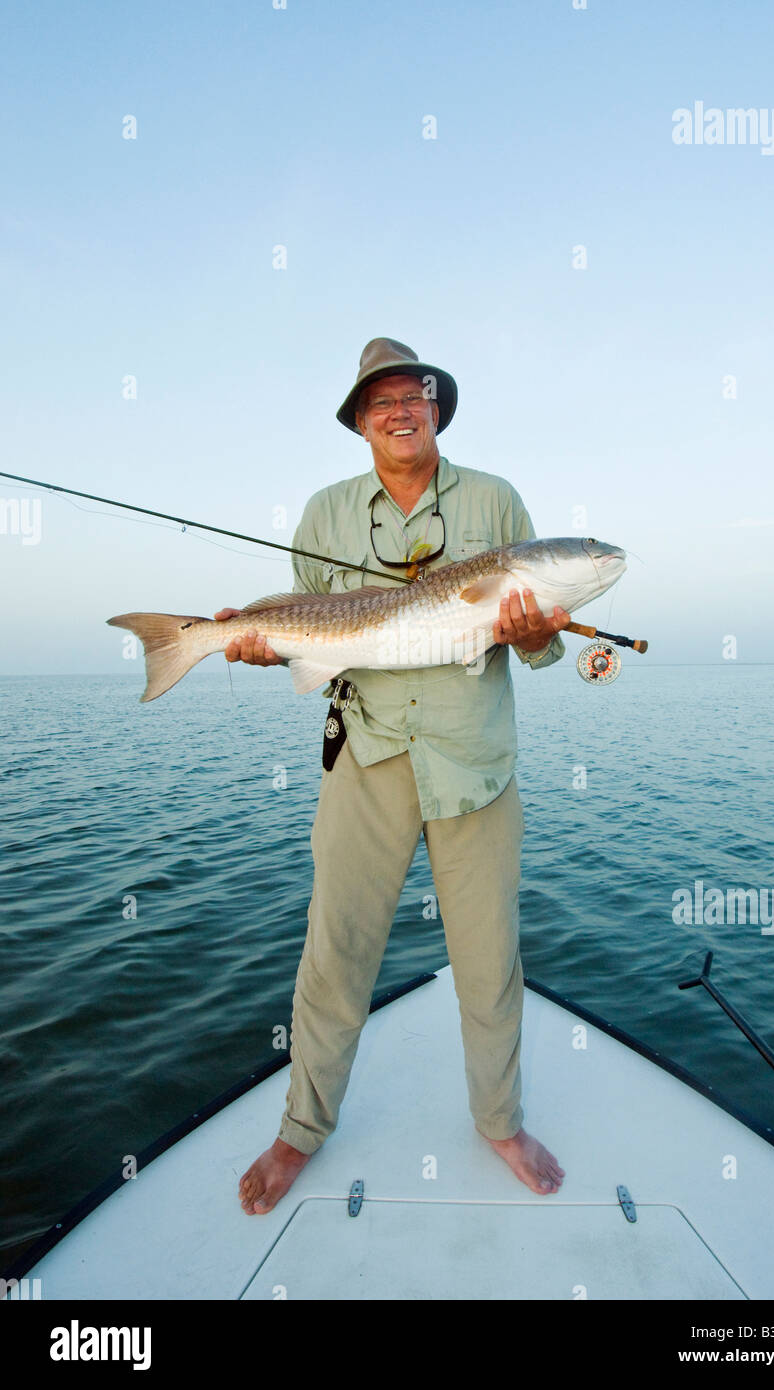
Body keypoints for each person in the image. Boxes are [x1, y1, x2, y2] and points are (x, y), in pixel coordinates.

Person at [217, 339, 571, 1215]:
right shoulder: (322, 514)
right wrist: (266, 644)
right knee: (332, 956)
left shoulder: (496, 500)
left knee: (489, 964)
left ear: (436, 408)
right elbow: (313, 633)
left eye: (413, 393)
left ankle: (498, 1120)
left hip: (473, 765)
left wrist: (531, 630)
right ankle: (302, 1129)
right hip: (366, 755)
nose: (399, 409)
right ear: (359, 422)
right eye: (379, 401)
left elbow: (541, 648)